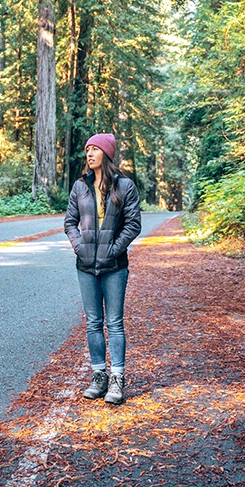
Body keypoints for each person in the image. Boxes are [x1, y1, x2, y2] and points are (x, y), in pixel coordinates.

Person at [64, 132, 142, 404]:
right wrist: (79, 246)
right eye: (88, 149)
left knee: (115, 323)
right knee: (93, 323)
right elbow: (69, 222)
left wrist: (113, 249)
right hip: (85, 265)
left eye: (95, 149)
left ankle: (117, 378)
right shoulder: (79, 187)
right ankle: (99, 376)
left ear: (106, 154)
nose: (90, 153)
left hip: (115, 266)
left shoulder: (125, 186)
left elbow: (133, 224)